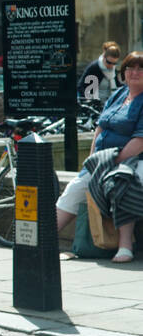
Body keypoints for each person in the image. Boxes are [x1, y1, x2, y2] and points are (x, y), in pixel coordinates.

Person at [56, 50, 143, 263]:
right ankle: (44, 237)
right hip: (103, 159)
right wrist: (94, 158)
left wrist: (112, 161)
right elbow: (100, 128)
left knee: (121, 182)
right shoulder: (119, 95)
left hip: (133, 160)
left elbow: (140, 141)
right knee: (76, 187)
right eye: (130, 67)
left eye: (141, 68)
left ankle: (125, 245)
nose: (135, 72)